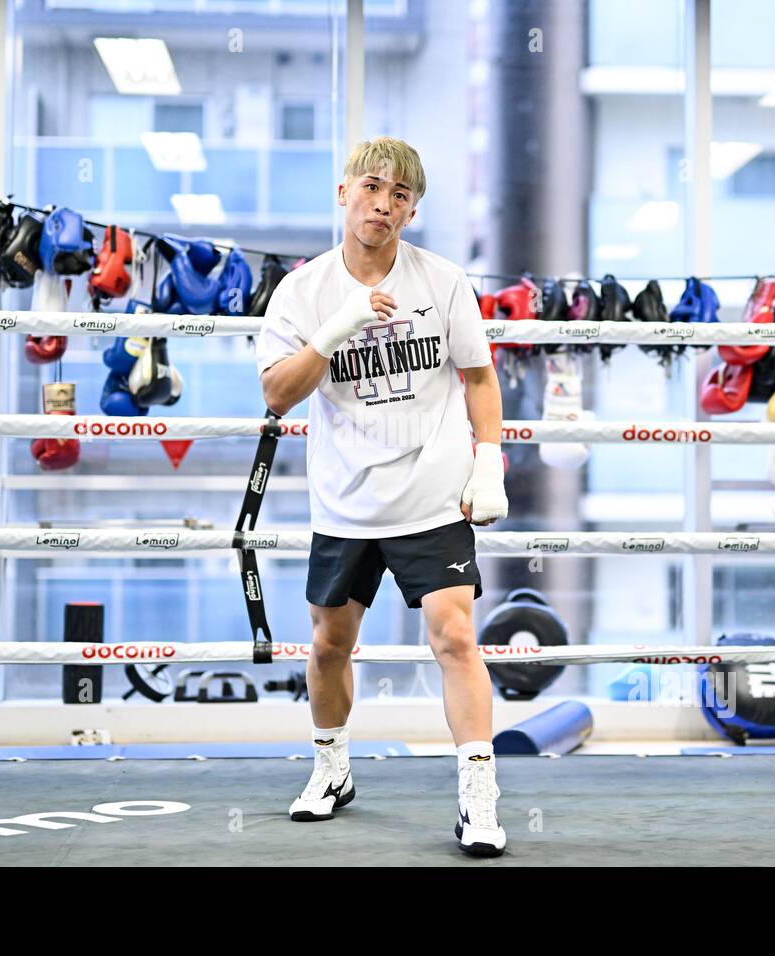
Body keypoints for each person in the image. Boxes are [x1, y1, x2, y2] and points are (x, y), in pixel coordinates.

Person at [256, 137, 510, 856]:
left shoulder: (443, 281)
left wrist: (488, 462)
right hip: (345, 500)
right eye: (372, 186)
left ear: (412, 209)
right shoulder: (301, 293)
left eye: (400, 195)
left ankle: (478, 799)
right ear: (344, 193)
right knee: (332, 643)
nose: (384, 203)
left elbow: (479, 377)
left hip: (433, 492)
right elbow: (277, 393)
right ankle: (332, 768)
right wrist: (337, 330)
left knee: (455, 636)